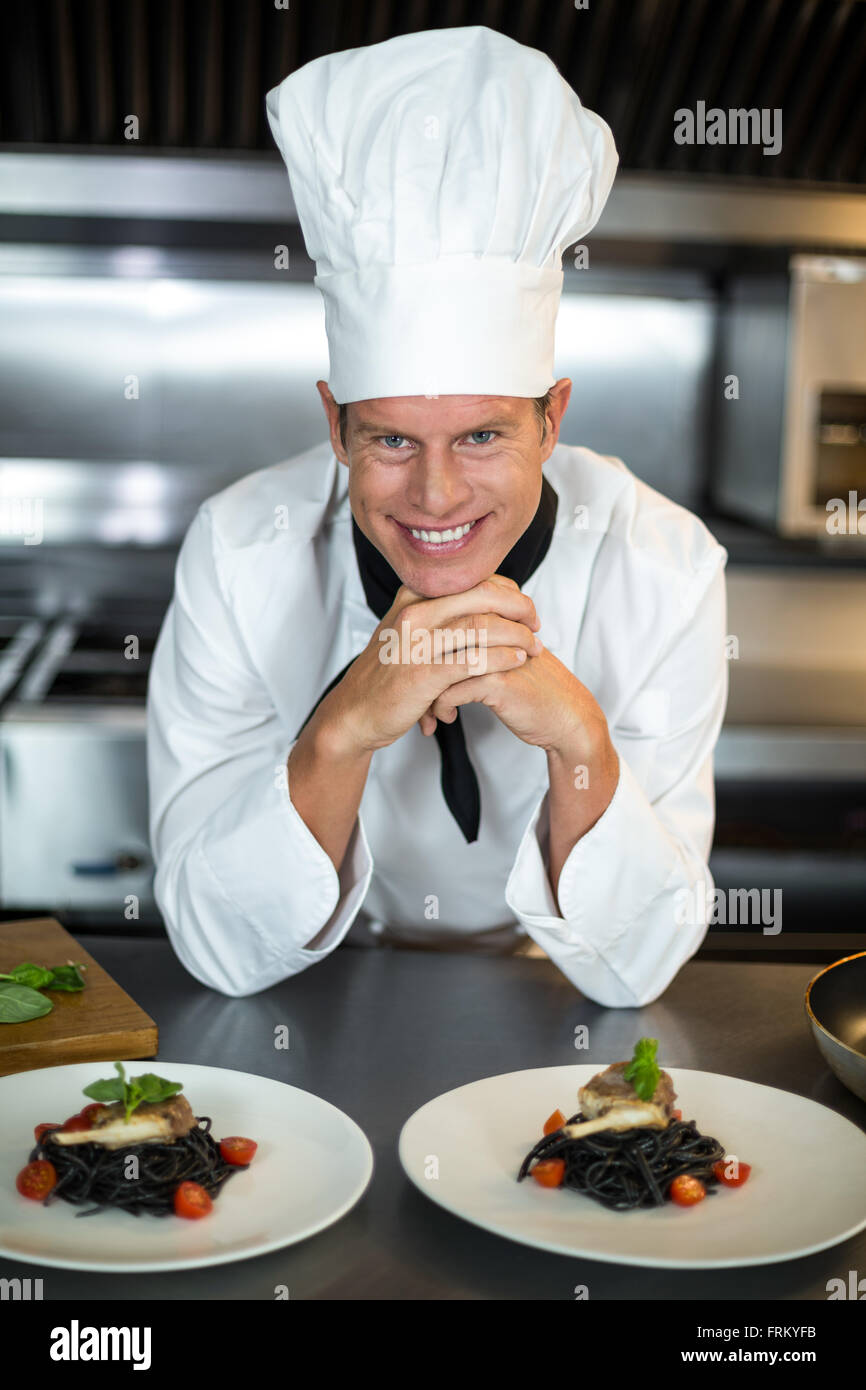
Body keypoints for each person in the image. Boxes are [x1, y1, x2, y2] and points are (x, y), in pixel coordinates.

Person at [146, 27, 728, 1006]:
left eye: (482, 438)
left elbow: (634, 971)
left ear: (553, 419)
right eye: (390, 442)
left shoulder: (663, 563)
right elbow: (214, 943)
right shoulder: (240, 549)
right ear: (334, 423)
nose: (437, 497)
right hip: (318, 983)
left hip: (548, 1000)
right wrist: (340, 729)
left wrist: (579, 739)